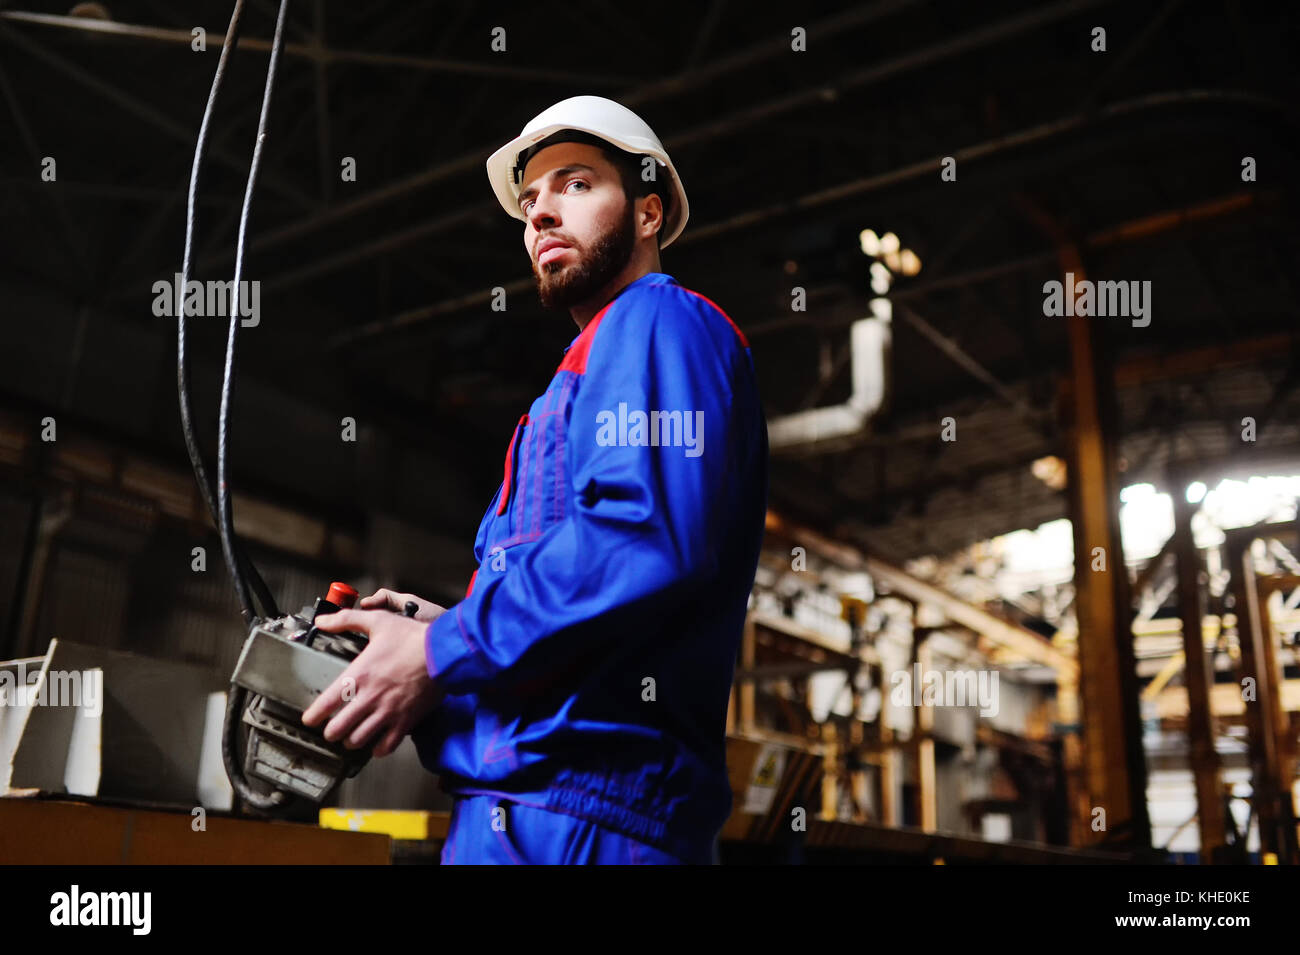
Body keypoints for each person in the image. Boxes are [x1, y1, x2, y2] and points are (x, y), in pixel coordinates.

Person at [302, 95, 768, 864]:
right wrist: (434, 621)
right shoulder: (579, 377)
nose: (542, 214)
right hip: (521, 814)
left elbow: (642, 536)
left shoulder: (660, 323)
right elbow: (570, 585)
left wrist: (439, 649)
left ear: (649, 213)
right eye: (530, 202)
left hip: (591, 821)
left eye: (576, 184)